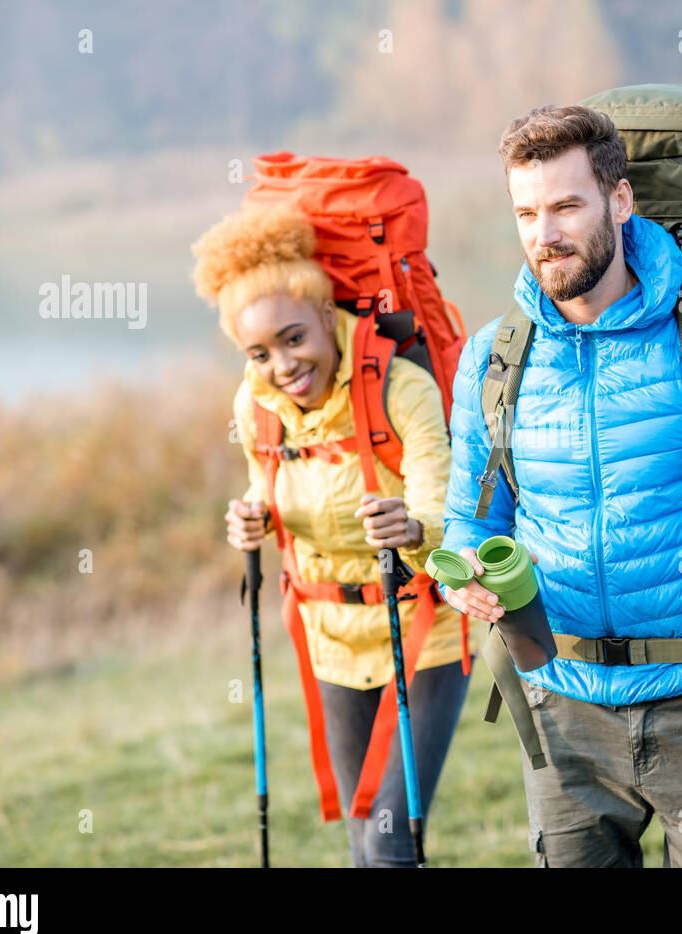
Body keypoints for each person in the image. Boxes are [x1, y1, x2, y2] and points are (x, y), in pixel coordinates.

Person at [438, 105, 682, 867]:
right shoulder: (494, 357)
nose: (544, 233)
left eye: (565, 205)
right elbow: (468, 522)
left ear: (621, 201)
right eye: (526, 211)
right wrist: (465, 578)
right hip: (560, 702)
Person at [192, 202, 474, 867]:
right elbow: (269, 489)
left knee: (387, 839)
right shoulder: (255, 404)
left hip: (423, 627)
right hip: (330, 638)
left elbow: (444, 515)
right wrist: (251, 518)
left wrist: (410, 525)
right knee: (363, 838)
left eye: (293, 338)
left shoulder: (401, 387)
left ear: (326, 316)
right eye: (258, 352)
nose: (281, 365)